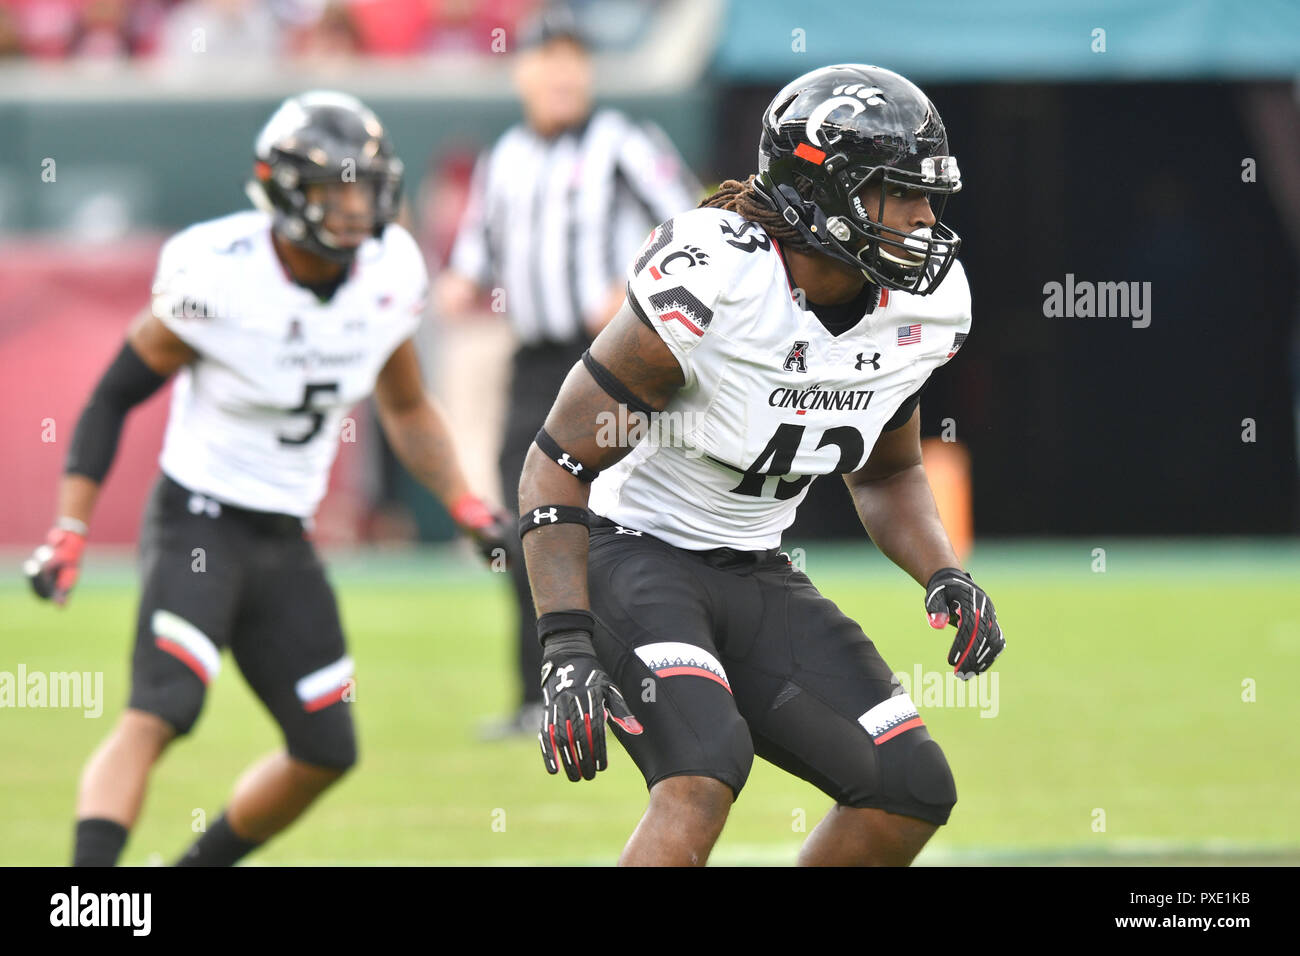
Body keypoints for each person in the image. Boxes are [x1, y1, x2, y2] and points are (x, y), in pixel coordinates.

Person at [517, 64, 1007, 866]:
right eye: (901, 195)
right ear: (823, 192)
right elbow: (554, 464)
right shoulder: (722, 281)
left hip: (753, 565)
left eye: (929, 198)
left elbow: (886, 472)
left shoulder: (921, 307)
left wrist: (942, 570)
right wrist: (565, 644)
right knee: (702, 769)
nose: (925, 221)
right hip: (628, 551)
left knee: (908, 786)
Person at [24, 90, 509, 867]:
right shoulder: (218, 274)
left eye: (365, 187)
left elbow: (408, 405)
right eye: (334, 190)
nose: (355, 208)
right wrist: (70, 528)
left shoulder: (387, 273)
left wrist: (462, 500)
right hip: (201, 519)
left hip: (286, 536)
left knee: (325, 749)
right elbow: (113, 397)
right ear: (284, 191)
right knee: (162, 709)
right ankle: (85, 900)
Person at [437, 6, 699, 738]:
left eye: (573, 59)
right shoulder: (505, 159)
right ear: (522, 71)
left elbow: (693, 229)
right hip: (535, 362)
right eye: (548, 59)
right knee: (530, 521)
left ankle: (657, 684)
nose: (561, 73)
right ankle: (540, 690)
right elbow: (470, 264)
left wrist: (628, 288)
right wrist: (456, 287)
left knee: (628, 521)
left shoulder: (624, 143)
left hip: (617, 362)